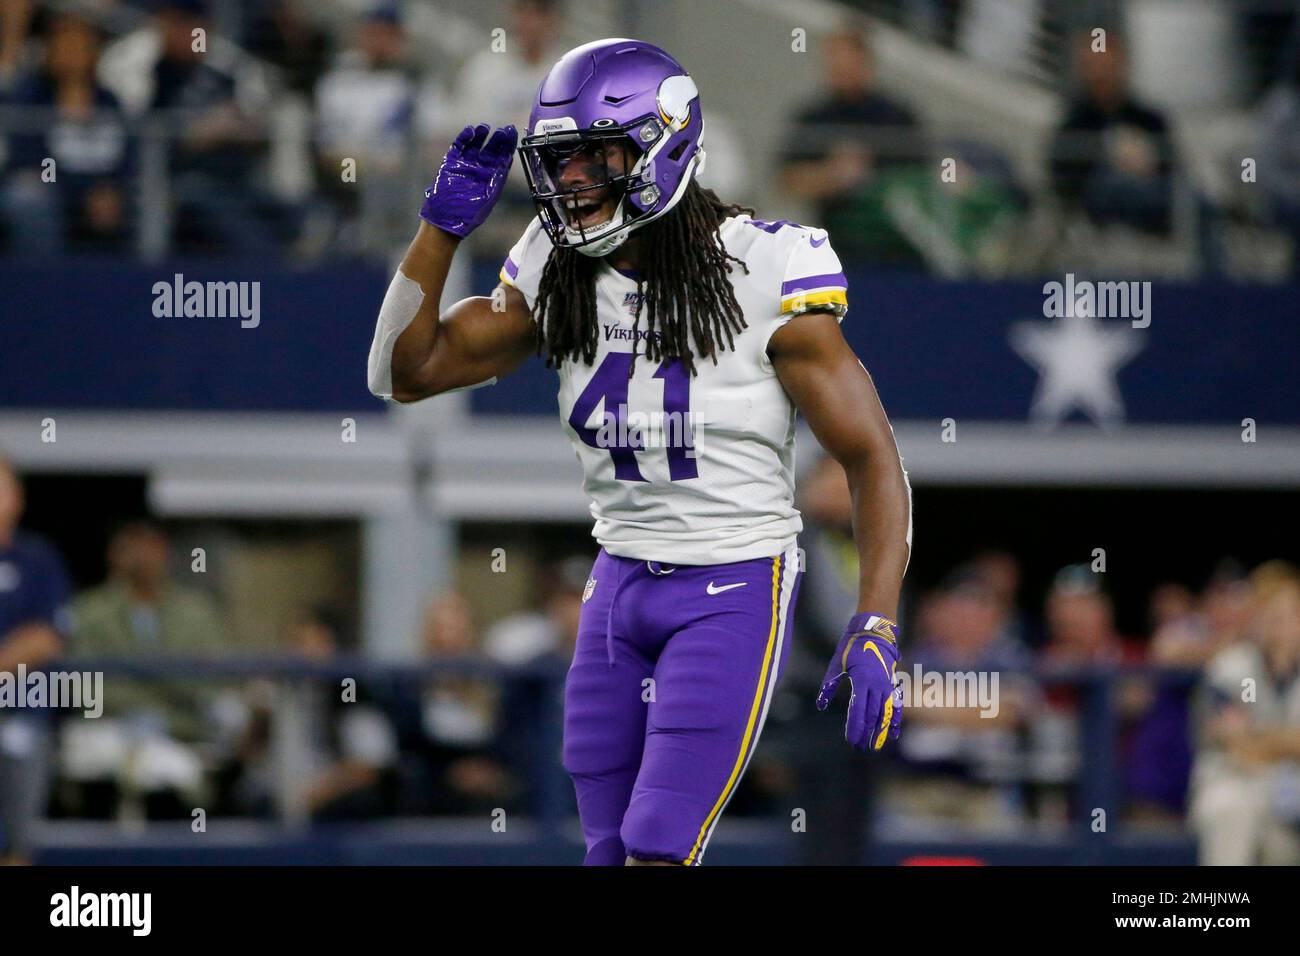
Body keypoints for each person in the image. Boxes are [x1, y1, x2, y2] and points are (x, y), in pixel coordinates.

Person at [366, 39, 913, 866]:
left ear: (665, 142)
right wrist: (439, 234)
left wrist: (875, 616)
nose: (572, 182)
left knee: (658, 844)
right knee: (605, 850)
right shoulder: (556, 265)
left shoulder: (764, 269)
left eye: (597, 156)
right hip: (618, 581)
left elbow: (873, 458)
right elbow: (403, 373)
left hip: (731, 582)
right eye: (561, 161)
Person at [0, 457, 73, 865]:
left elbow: (45, 638)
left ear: (17, 499)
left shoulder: (37, 559)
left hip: (21, 713)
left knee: (18, 843)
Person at [1050, 32, 1176, 237]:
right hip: (1099, 203)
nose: (1102, 74)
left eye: (1108, 66)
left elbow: (1173, 166)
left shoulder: (1149, 119)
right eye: (1095, 66)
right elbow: (1061, 178)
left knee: (1195, 203)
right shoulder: (1075, 124)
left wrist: (1145, 163)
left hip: (1155, 197)